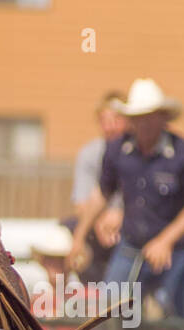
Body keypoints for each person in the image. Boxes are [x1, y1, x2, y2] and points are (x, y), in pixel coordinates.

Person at [71, 78, 184, 330]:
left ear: (163, 117)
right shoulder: (118, 150)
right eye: (138, 117)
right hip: (132, 248)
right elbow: (101, 194)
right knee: (106, 314)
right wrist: (79, 237)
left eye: (150, 116)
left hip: (180, 252)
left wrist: (167, 240)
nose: (144, 123)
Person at [69, 91, 128, 284]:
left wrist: (121, 215)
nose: (109, 126)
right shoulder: (90, 153)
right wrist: (100, 222)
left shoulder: (138, 152)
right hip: (98, 227)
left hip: (131, 228)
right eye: (104, 120)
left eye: (116, 119)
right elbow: (81, 202)